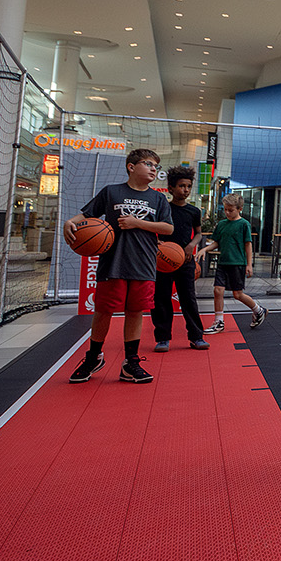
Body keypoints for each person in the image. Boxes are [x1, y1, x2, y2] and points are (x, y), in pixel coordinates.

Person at [62, 148, 174, 384]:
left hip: (143, 263)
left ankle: (130, 363)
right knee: (103, 311)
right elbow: (86, 215)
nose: (154, 168)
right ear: (131, 167)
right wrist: (69, 223)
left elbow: (168, 229)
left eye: (156, 165)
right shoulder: (112, 192)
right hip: (113, 262)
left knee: (136, 311)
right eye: (148, 164)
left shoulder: (158, 198)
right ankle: (93, 357)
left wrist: (137, 223)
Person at [152, 165, 209, 353]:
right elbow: (155, 232)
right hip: (164, 261)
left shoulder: (194, 211)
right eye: (181, 186)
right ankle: (162, 338)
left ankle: (196, 336)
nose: (185, 190)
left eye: (188, 186)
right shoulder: (163, 209)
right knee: (161, 299)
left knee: (188, 299)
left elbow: (199, 234)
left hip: (185, 261)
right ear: (170, 189)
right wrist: (160, 246)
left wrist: (192, 245)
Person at [198, 194, 266, 334]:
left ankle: (258, 310)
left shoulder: (244, 224)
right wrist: (205, 248)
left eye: (231, 210)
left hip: (238, 264)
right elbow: (217, 242)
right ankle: (219, 322)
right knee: (218, 290)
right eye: (226, 210)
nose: (227, 212)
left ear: (239, 209)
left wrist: (249, 264)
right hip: (223, 263)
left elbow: (248, 245)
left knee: (238, 294)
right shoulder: (222, 224)